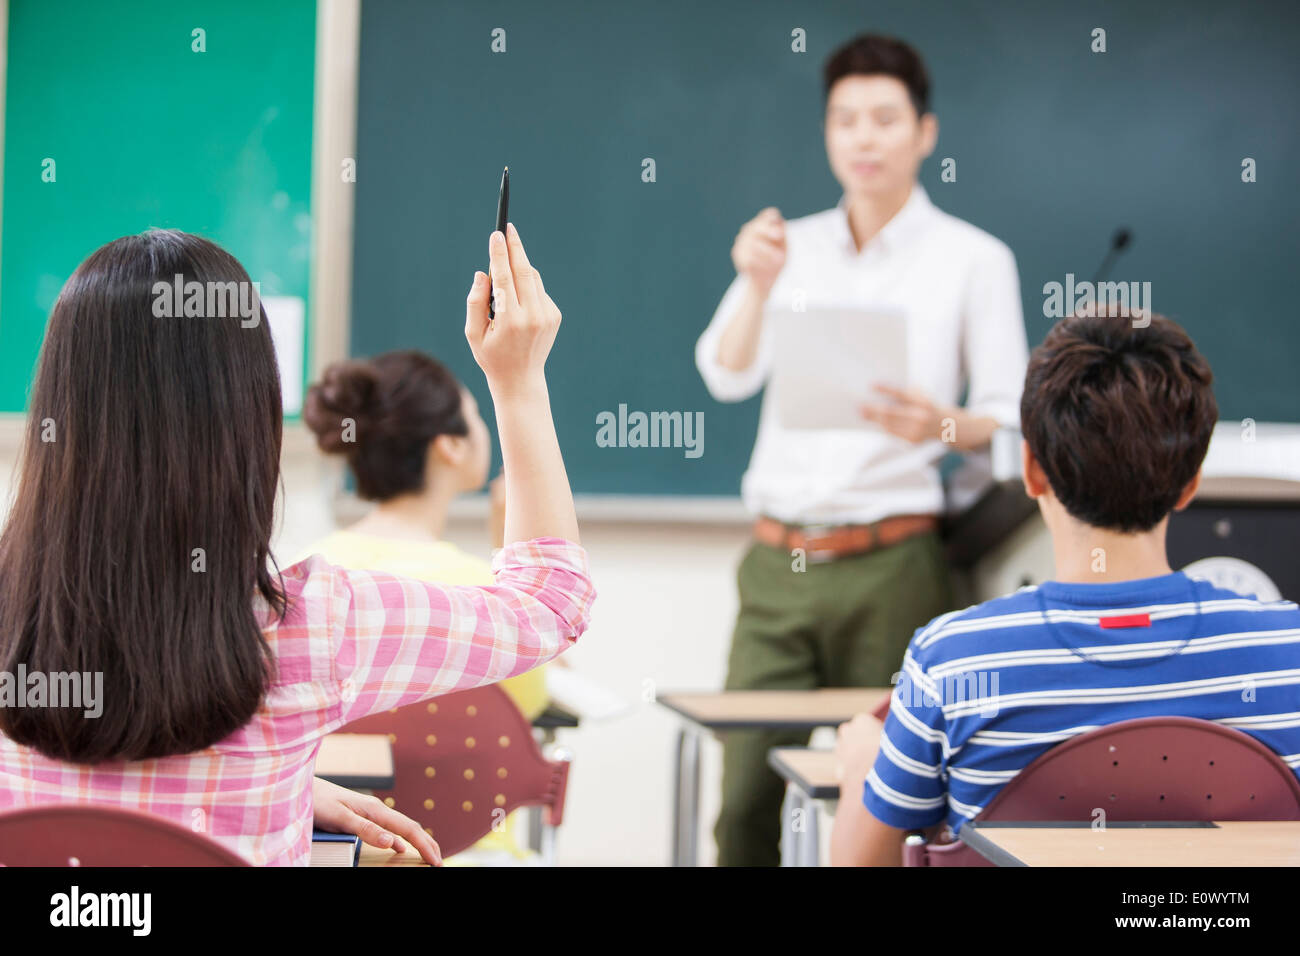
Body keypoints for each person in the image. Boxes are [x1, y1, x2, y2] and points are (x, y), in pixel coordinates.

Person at [0, 224, 593, 866]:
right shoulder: (311, 627)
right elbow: (553, 602)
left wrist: (286, 783)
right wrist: (518, 382)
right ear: (247, 423)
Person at [695, 33, 1029, 865]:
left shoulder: (975, 261)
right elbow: (724, 374)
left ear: (926, 132)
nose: (864, 138)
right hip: (779, 562)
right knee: (741, 807)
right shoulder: (786, 246)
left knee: (892, 806)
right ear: (827, 135)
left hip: (894, 562)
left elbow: (1008, 420)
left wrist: (937, 426)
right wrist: (756, 282)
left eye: (885, 118)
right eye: (845, 120)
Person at [829, 309, 1300, 866]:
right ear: (1191, 480)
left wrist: (863, 766)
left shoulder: (952, 662)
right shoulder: (1288, 651)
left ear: (1030, 469)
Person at [299, 349, 549, 862]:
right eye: (478, 417)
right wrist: (509, 550)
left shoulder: (303, 576)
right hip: (470, 854)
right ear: (450, 446)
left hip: (335, 855)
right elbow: (531, 703)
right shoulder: (484, 594)